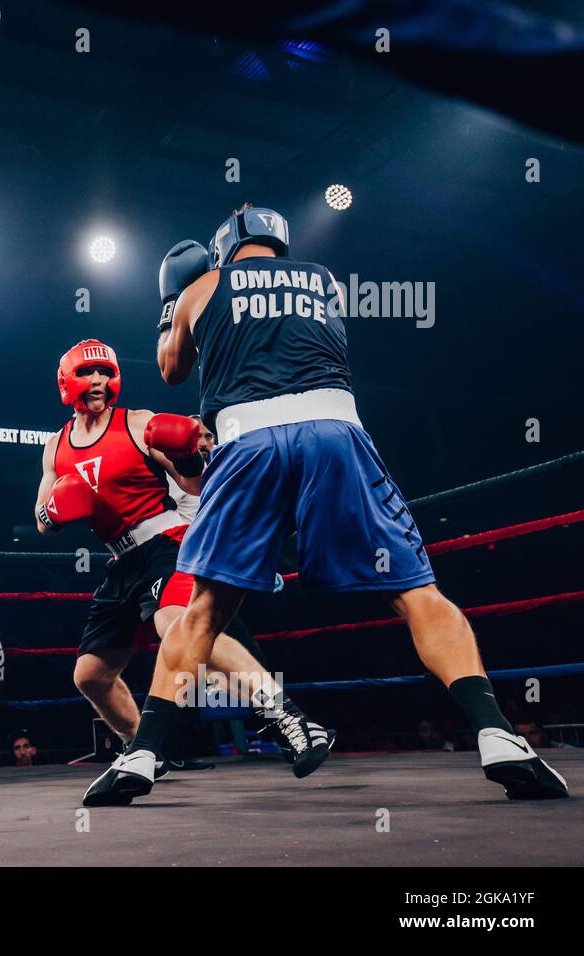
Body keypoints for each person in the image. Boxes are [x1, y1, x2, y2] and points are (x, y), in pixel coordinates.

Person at [85, 204, 568, 805]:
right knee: (416, 591)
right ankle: (497, 733)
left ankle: (145, 755)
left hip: (247, 441)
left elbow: (171, 368)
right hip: (334, 432)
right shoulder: (325, 283)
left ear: (224, 247)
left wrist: (173, 305)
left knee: (204, 610)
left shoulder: (203, 286)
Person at [38, 339, 330, 784]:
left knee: (177, 624)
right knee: (91, 675)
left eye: (104, 373)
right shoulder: (55, 446)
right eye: (87, 374)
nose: (97, 381)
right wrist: (54, 511)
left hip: (168, 543)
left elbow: (194, 486)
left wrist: (188, 454)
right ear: (66, 381)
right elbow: (41, 518)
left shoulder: (139, 423)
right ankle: (147, 748)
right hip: (121, 563)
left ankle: (290, 716)